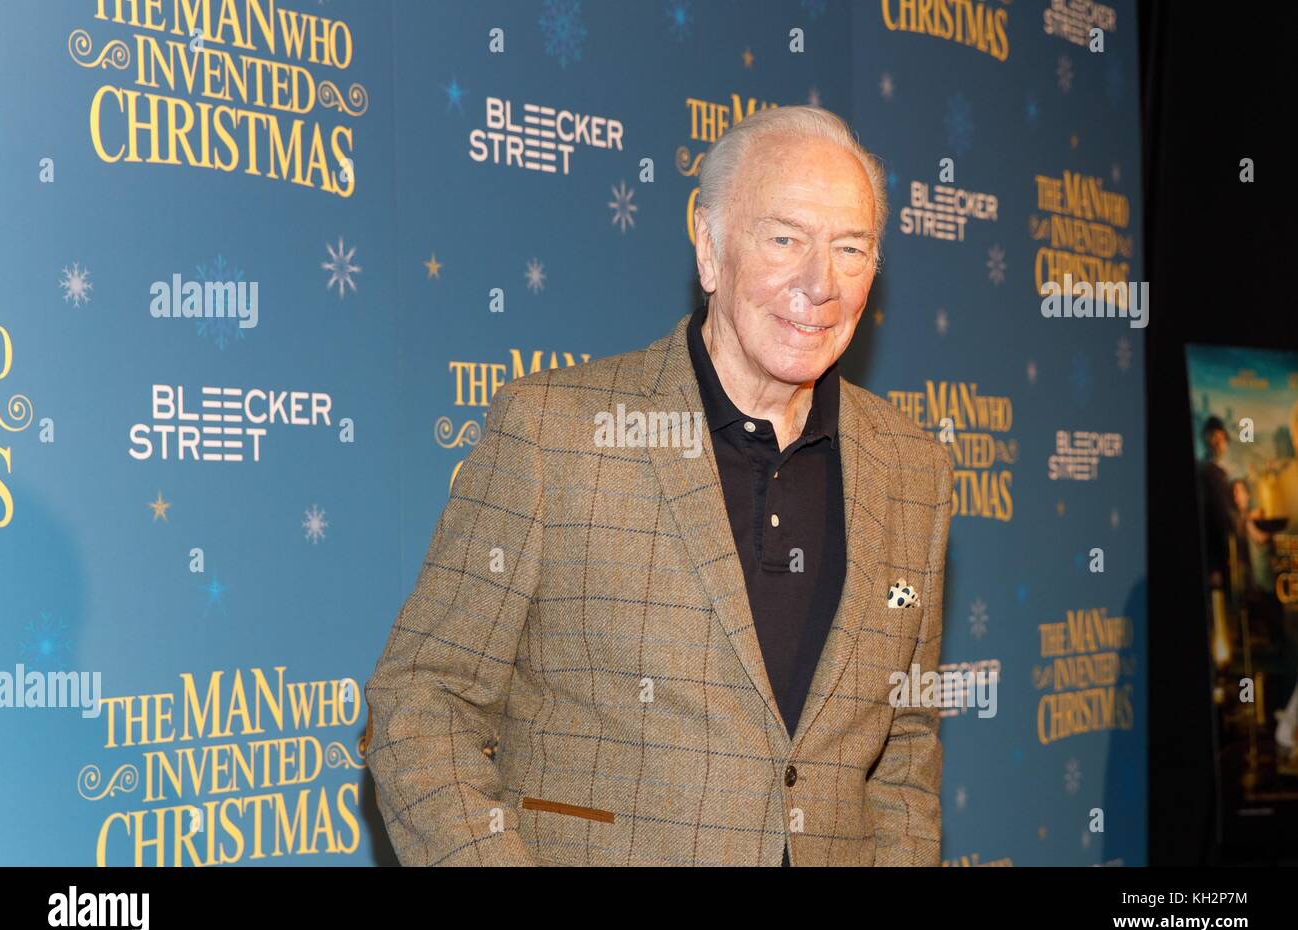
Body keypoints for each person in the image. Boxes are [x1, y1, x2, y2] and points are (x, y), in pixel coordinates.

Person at [364, 105, 954, 866]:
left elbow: (906, 744)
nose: (820, 282)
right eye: (784, 239)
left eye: (851, 248)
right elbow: (421, 701)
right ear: (709, 249)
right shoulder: (555, 431)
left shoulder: (914, 472)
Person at [1198, 416, 1236, 590]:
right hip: (1214, 558)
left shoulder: (1222, 474)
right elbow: (1212, 519)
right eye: (1214, 437)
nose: (1218, 443)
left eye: (1221, 438)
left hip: (1229, 554)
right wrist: (1212, 565)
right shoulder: (1206, 473)